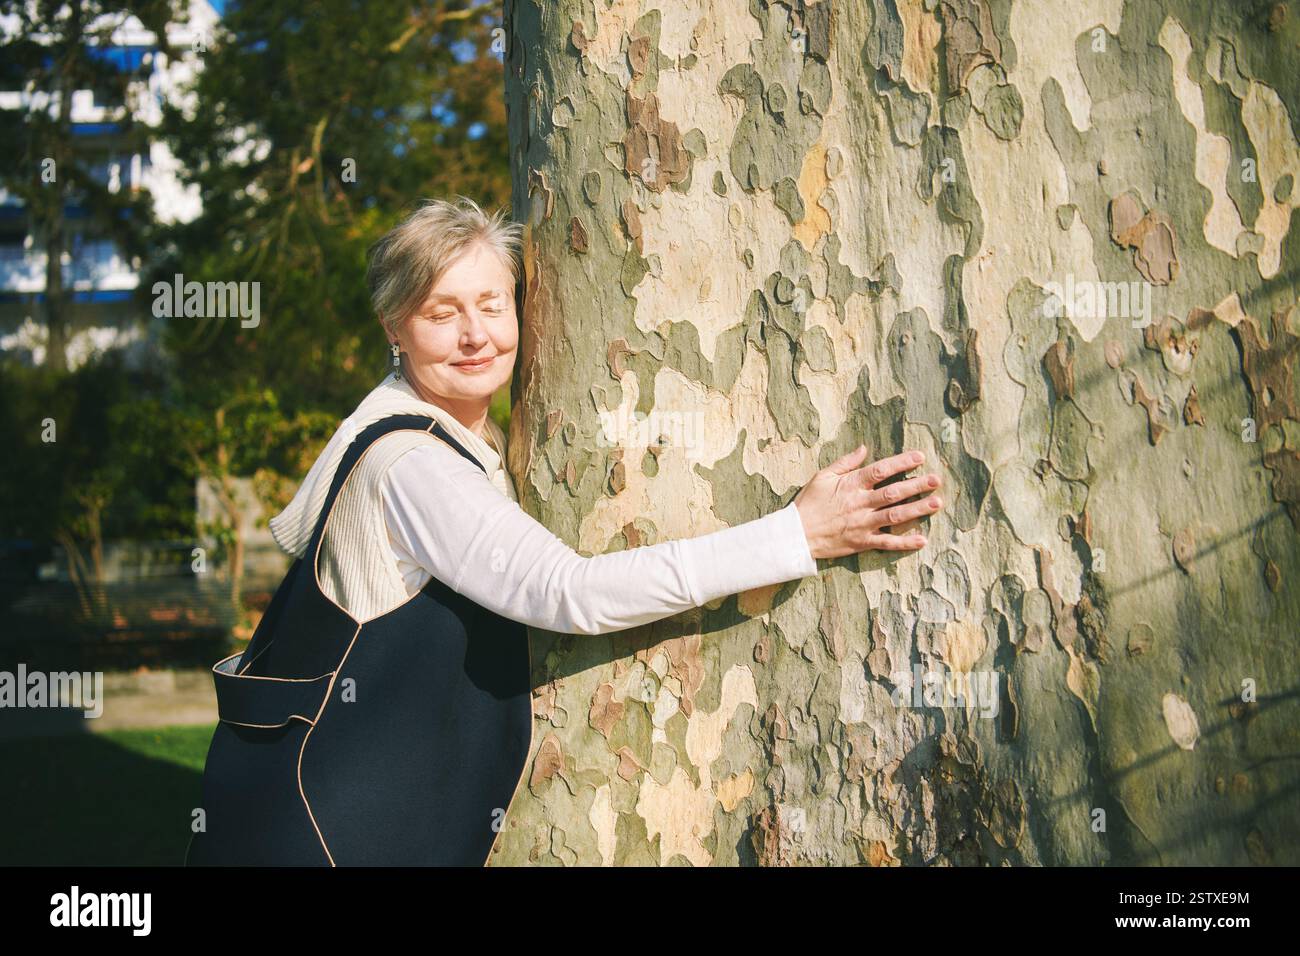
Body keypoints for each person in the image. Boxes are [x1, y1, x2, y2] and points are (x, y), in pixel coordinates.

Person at [184, 196, 944, 867]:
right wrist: (796, 535)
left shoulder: (415, 434)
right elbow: (569, 592)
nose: (476, 333)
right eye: (442, 312)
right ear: (395, 327)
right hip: (333, 839)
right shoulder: (410, 465)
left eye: (492, 303)